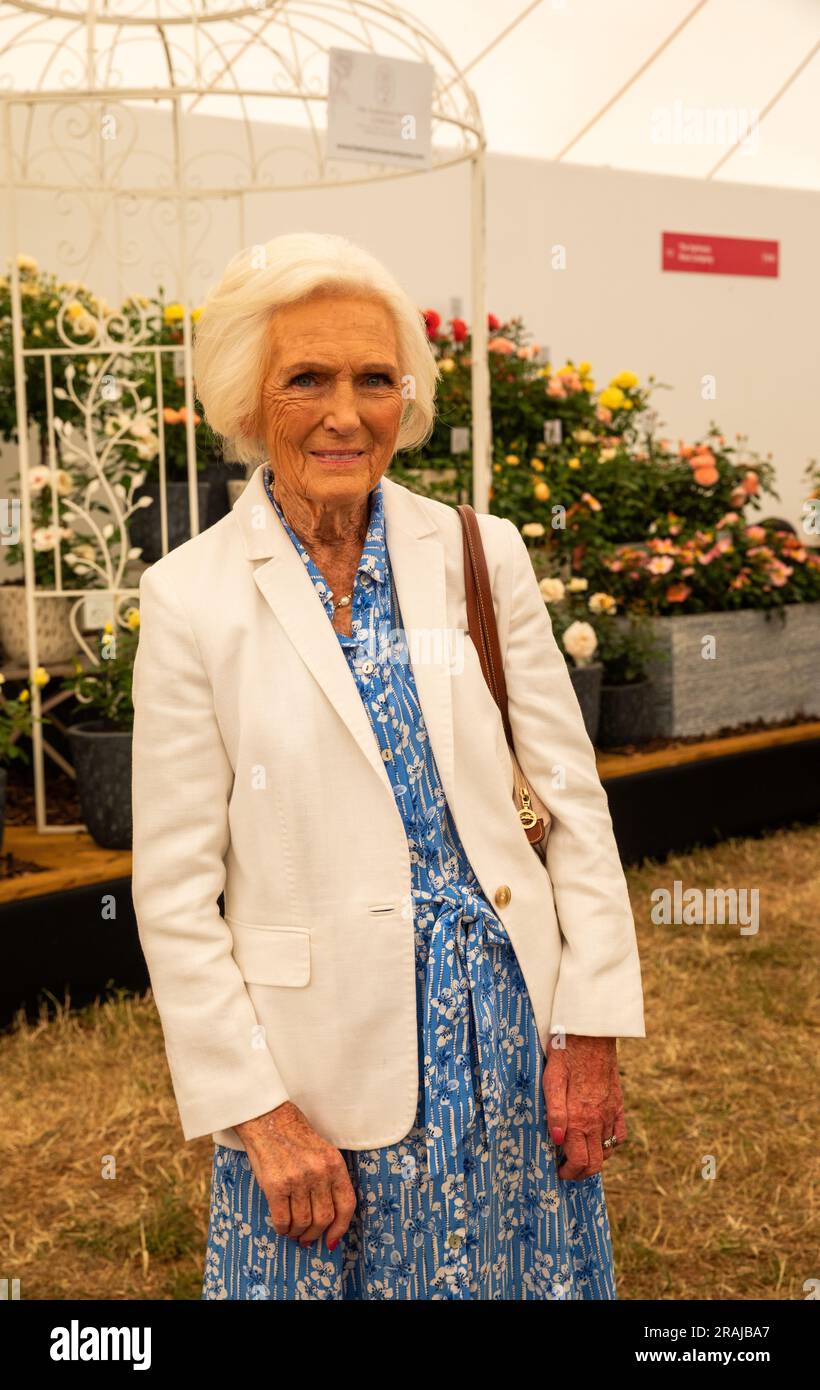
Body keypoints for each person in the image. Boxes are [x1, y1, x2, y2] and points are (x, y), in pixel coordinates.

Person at [131, 231, 646, 1301]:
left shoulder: (474, 549)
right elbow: (175, 896)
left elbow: (569, 802)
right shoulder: (193, 599)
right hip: (317, 1074)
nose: (345, 412)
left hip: (509, 1049)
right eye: (306, 378)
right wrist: (258, 1112)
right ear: (244, 399)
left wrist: (588, 1027)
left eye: (374, 379)